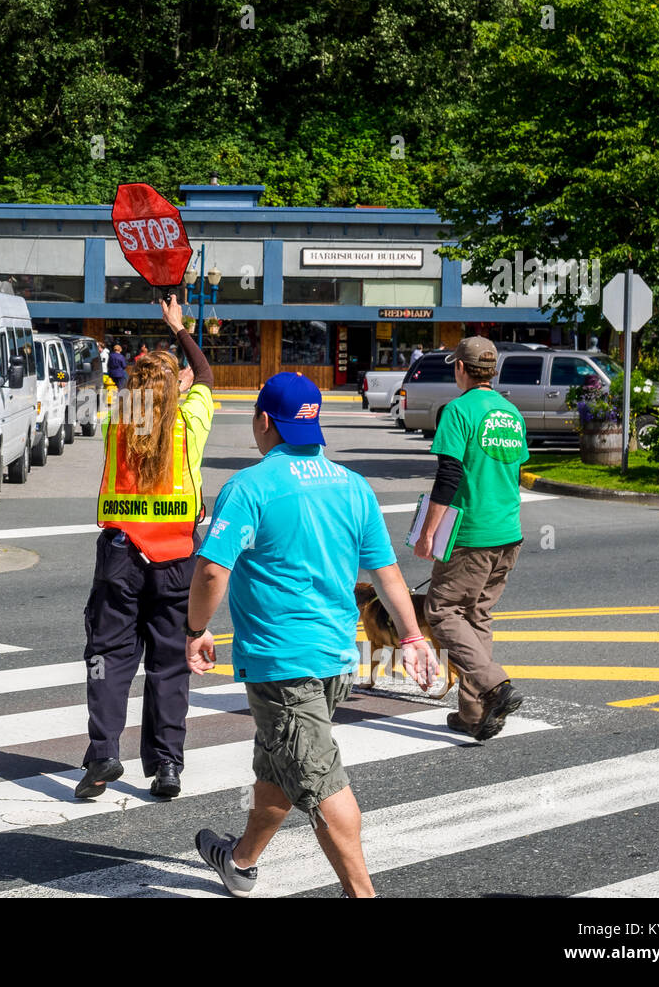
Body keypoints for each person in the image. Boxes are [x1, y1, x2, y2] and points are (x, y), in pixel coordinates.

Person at [186, 372, 437, 898]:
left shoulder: (249, 488)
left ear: (263, 423)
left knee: (321, 783)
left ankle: (361, 894)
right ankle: (240, 862)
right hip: (334, 657)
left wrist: (196, 629)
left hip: (282, 663)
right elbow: (386, 572)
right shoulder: (351, 485)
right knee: (284, 765)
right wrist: (412, 638)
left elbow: (212, 572)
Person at [76, 294, 213, 801]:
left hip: (120, 555)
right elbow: (206, 378)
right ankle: (167, 766)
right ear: (177, 387)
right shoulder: (189, 422)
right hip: (177, 559)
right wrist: (178, 329)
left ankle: (104, 754)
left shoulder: (118, 419)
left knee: (108, 658)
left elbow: (158, 393)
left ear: (132, 387)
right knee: (169, 664)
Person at [414, 336, 528, 740]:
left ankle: (494, 685)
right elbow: (512, 474)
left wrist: (428, 533)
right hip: (507, 532)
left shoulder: (458, 411)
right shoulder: (510, 413)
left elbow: (449, 476)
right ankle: (475, 715)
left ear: (460, 368)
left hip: (471, 534)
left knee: (442, 612)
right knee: (477, 614)